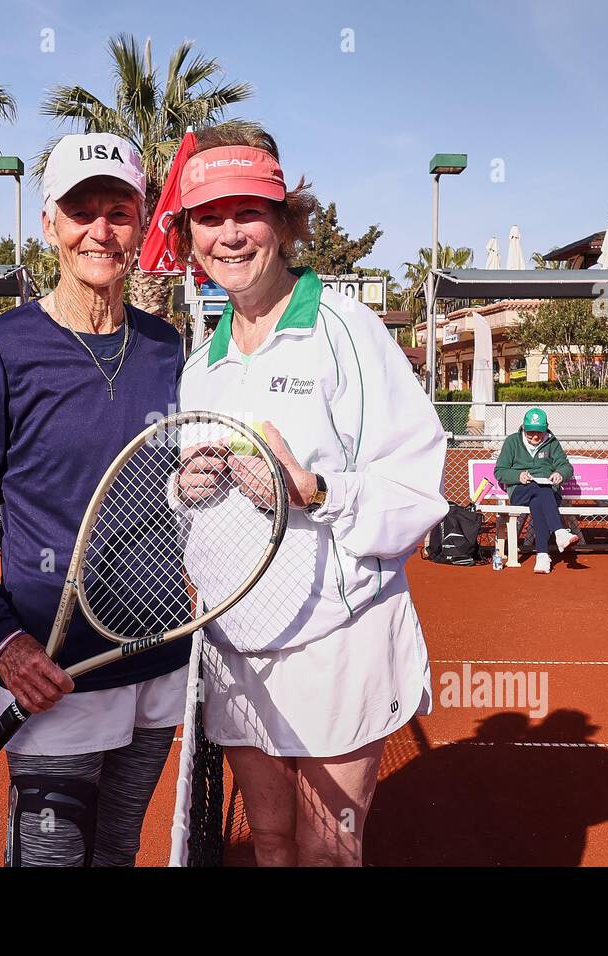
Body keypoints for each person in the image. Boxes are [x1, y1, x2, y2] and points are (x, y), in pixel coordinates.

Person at [170, 125, 449, 866]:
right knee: (268, 841)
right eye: (209, 216)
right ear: (188, 234)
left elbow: (418, 490)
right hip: (234, 643)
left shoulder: (347, 332)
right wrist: (185, 486)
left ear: (286, 220)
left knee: (329, 853)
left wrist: (317, 490)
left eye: (248, 212)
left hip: (338, 638)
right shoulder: (203, 363)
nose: (229, 235)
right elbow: (196, 514)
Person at [0, 133, 189, 867]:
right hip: (53, 669)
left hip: (158, 658)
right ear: (50, 224)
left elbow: (180, 482)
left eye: (118, 211)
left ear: (142, 223)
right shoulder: (1, 349)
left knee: (116, 850)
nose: (99, 231)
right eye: (81, 212)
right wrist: (4, 641)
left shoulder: (170, 348)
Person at [493, 407, 578, 573]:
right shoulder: (512, 441)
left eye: (539, 432)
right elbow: (499, 471)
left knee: (539, 500)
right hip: (520, 491)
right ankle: (559, 532)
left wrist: (560, 474)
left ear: (545, 428)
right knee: (540, 489)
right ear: (523, 428)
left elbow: (566, 466)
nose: (535, 436)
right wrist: (518, 476)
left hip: (547, 493)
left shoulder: (552, 442)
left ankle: (543, 557)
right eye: (530, 432)